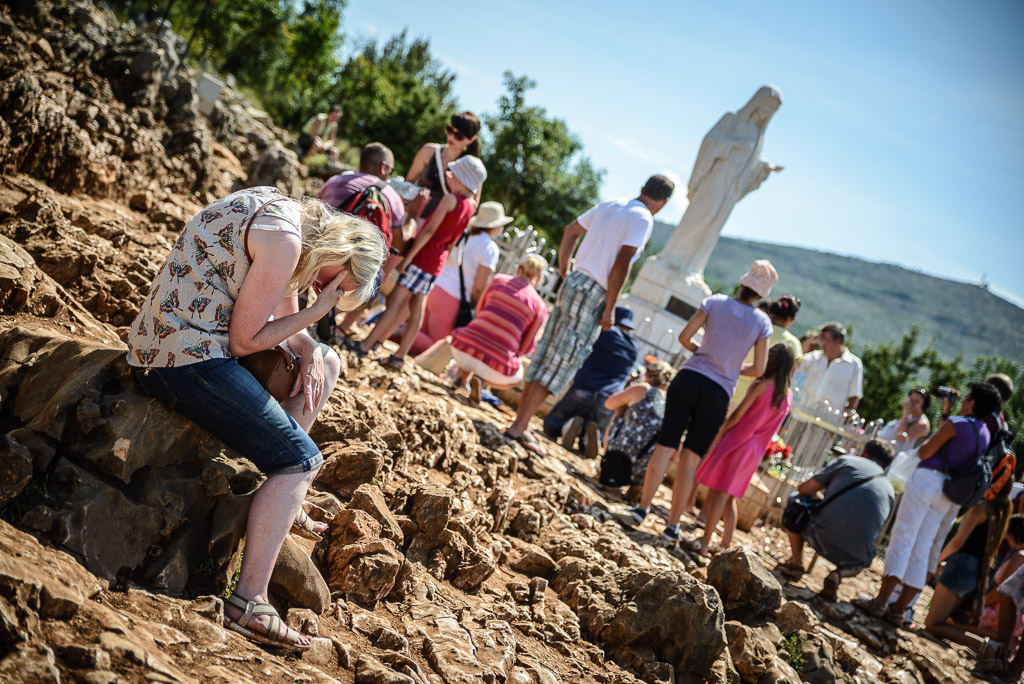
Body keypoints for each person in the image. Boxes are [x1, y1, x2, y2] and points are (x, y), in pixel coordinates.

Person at [126, 186, 386, 651]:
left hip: (182, 343)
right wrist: (319, 310)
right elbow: (246, 341)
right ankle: (249, 600)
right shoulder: (286, 243)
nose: (330, 292)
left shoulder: (289, 219)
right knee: (303, 460)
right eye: (339, 285)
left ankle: (282, 495)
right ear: (341, 255)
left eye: (338, 294)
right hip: (181, 359)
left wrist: (309, 348)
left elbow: (282, 314)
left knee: (326, 362)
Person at [503, 175, 675, 455]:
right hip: (594, 290)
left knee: (548, 353)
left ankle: (520, 423)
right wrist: (610, 305)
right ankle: (520, 427)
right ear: (663, 203)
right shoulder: (643, 218)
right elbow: (622, 261)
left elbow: (571, 231)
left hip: (575, 281)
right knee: (562, 360)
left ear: (642, 188)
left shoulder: (611, 204)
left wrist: (564, 270)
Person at [630, 260, 776, 541]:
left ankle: (641, 508)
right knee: (690, 459)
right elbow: (759, 369)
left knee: (665, 446)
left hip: (689, 378)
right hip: (718, 392)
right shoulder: (762, 323)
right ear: (762, 294)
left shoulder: (715, 302)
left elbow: (685, 337)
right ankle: (672, 526)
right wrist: (732, 367)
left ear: (743, 281)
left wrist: (701, 351)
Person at [860, 382, 1003, 625]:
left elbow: (925, 452)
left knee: (903, 537)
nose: (965, 400)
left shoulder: (956, 424)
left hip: (927, 482)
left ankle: (880, 601)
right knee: (922, 548)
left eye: (967, 397)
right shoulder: (985, 434)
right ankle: (900, 608)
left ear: (973, 403)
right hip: (949, 493)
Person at [349, 156, 485, 369]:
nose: (449, 178)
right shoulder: (470, 207)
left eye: (453, 175)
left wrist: (409, 258)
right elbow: (453, 241)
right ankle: (399, 355)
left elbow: (430, 231)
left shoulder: (450, 200)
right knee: (417, 306)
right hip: (436, 262)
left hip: (424, 257)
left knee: (396, 300)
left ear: (463, 179)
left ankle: (366, 345)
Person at [693, 342, 796, 555]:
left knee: (719, 494)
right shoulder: (787, 396)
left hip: (738, 442)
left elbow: (738, 415)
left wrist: (722, 431)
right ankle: (726, 544)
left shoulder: (761, 385)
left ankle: (704, 542)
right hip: (756, 450)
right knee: (730, 495)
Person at [778, 439, 896, 600]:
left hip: (820, 534)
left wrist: (822, 499)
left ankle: (796, 563)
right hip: (855, 555)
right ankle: (838, 574)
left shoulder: (848, 461)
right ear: (886, 465)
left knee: (796, 500)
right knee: (865, 559)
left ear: (864, 453)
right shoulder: (889, 489)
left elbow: (804, 489)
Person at [316, 142, 408, 338]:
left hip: (319, 255)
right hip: (355, 266)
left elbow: (315, 212)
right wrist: (414, 215)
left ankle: (302, 296)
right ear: (383, 167)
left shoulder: (335, 180)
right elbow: (399, 245)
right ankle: (340, 325)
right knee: (375, 276)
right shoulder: (391, 196)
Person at [410, 201, 512, 356]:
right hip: (452, 298)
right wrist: (476, 306)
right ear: (495, 225)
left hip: (435, 287)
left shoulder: (464, 236)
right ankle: (396, 328)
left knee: (418, 331)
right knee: (437, 347)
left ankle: (393, 327)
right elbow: (479, 286)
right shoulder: (490, 249)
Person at [542, 306, 643, 459]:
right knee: (596, 427)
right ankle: (588, 437)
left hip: (584, 386)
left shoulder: (604, 333)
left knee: (551, 425)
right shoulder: (636, 347)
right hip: (609, 397)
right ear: (629, 326)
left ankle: (566, 427)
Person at [447, 255, 549, 395]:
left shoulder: (498, 280)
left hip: (462, 347)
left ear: (518, 269)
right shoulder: (539, 306)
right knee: (516, 379)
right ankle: (481, 382)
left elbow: (479, 310)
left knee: (480, 333)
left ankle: (461, 378)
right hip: (496, 365)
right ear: (539, 279)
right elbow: (526, 346)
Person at [924, 490, 1014, 646]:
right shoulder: (999, 513)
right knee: (942, 623)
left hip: (960, 567)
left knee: (932, 624)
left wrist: (936, 561)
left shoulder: (981, 508)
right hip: (974, 572)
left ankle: (988, 648)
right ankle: (991, 646)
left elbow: (957, 542)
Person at [601, 361, 677, 498]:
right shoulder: (672, 403)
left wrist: (625, 405)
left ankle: (606, 462)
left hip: (620, 455)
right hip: (646, 466)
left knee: (620, 410)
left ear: (648, 376)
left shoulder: (643, 388)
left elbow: (608, 403)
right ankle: (638, 486)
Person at [730, 295, 803, 410]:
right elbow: (787, 379)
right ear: (792, 319)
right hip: (752, 401)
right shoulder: (793, 344)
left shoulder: (751, 326)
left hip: (727, 387)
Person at [406, 111, 483, 217]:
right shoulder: (429, 151)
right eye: (450, 130)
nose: (451, 137)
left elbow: (473, 204)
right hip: (415, 217)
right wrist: (416, 194)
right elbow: (408, 183)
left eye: (458, 136)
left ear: (471, 140)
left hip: (442, 225)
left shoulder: (472, 167)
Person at [795, 322, 863, 415]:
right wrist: (810, 342)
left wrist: (845, 421)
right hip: (802, 414)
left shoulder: (854, 364)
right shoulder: (815, 356)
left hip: (827, 421)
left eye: (826, 340)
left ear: (838, 341)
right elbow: (796, 364)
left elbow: (854, 396)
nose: (822, 344)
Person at [877, 388, 932, 454]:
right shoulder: (909, 416)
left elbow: (901, 436)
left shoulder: (923, 424)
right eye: (911, 400)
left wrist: (906, 414)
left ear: (924, 405)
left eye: (916, 401)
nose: (912, 404)